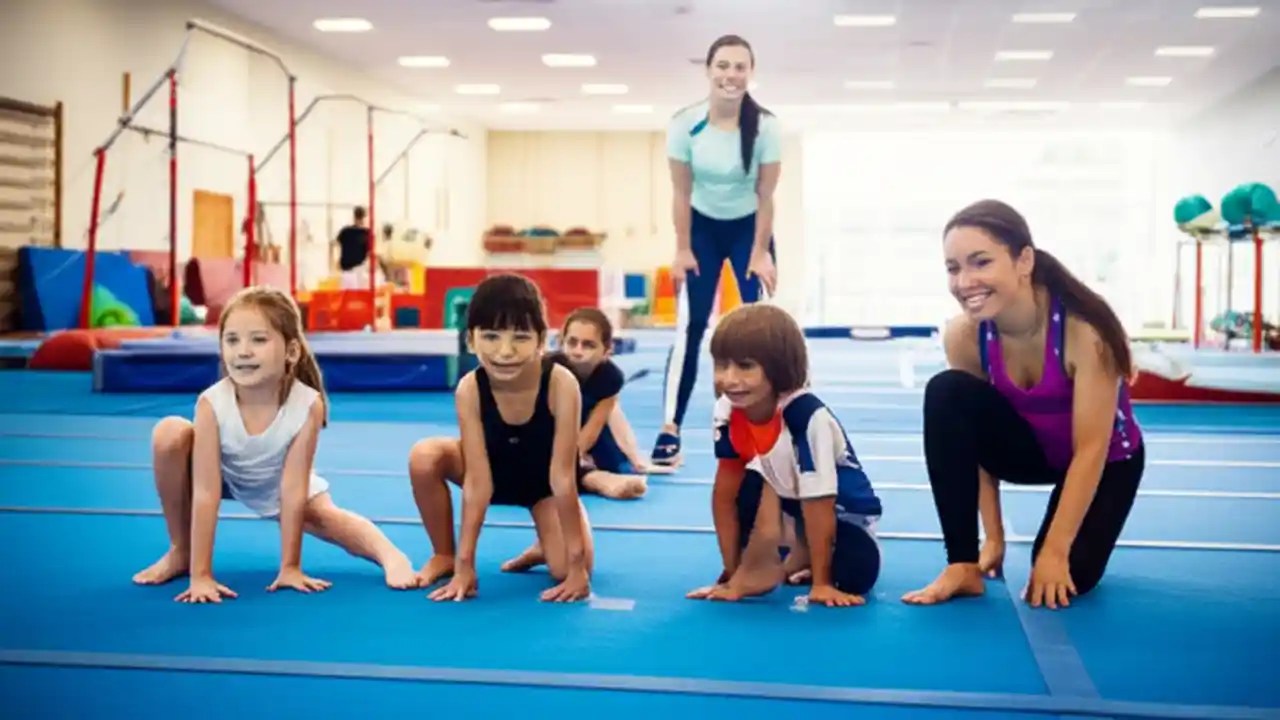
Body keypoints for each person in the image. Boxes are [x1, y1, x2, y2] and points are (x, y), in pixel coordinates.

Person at [903, 199, 1145, 610]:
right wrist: (991, 536)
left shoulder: (1084, 333)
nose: (965, 282)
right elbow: (971, 439)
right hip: (1029, 450)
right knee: (946, 392)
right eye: (953, 268)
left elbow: (1091, 450)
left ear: (1024, 260)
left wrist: (1054, 552)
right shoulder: (965, 336)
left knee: (1069, 578)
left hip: (1106, 463)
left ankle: (1055, 549)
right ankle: (959, 567)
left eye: (980, 263)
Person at [132, 286, 419, 602]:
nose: (243, 351)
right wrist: (201, 575)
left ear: (291, 351)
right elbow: (206, 491)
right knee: (169, 432)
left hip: (278, 481)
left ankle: (391, 555)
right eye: (232, 340)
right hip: (222, 476)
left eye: (258, 339)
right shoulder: (212, 403)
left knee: (329, 518)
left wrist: (290, 566)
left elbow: (293, 487)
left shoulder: (307, 404)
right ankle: (181, 551)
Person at [407, 273, 594, 603]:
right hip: (490, 472)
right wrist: (466, 564)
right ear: (470, 340)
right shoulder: (470, 389)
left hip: (543, 486)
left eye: (520, 337)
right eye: (491, 336)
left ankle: (545, 544)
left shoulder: (560, 385)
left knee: (565, 568)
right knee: (424, 456)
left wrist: (578, 566)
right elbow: (478, 482)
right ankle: (444, 554)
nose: (505, 352)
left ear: (541, 340)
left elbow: (563, 478)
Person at [685, 304, 882, 608]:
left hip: (844, 515)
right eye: (721, 365)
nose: (729, 379)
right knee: (746, 484)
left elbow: (821, 504)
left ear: (779, 367)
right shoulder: (728, 409)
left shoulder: (807, 417)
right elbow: (724, 495)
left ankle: (807, 560)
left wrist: (822, 584)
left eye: (745, 366)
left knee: (855, 573)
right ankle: (771, 563)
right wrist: (734, 573)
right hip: (789, 503)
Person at [653, 33, 782, 468]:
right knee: (689, 328)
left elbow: (766, 196)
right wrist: (682, 249)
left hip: (750, 229)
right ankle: (670, 428)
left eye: (739, 66)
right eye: (723, 66)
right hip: (701, 230)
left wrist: (761, 252)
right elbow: (680, 190)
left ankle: (774, 423)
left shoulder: (766, 126)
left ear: (750, 72)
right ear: (709, 70)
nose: (731, 75)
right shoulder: (684, 124)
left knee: (762, 332)